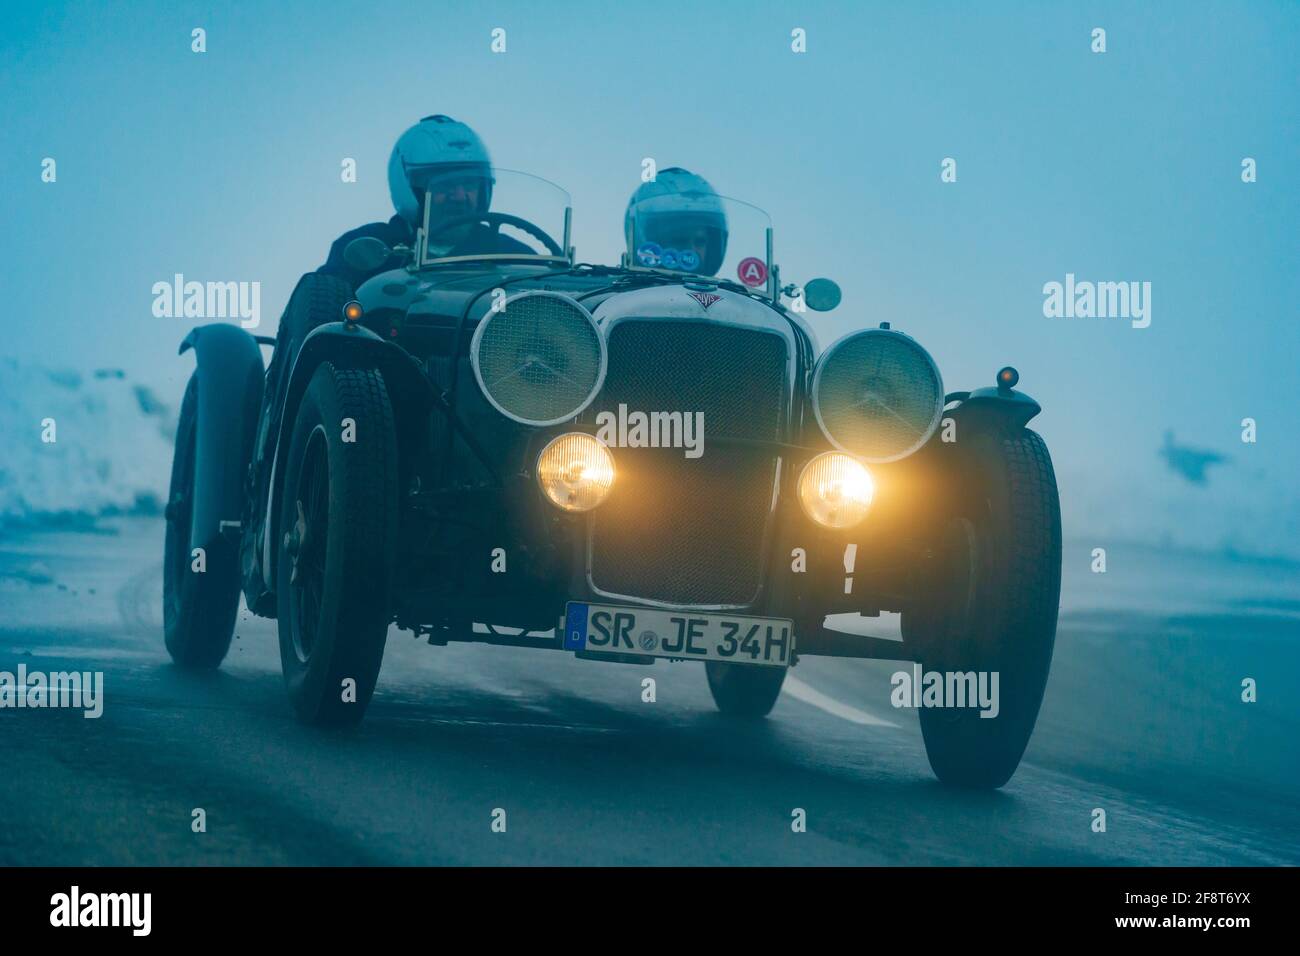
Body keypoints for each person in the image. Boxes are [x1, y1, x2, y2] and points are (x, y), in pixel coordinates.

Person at [624, 167, 728, 276]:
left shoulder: (722, 292)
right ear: (655, 243)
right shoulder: (631, 291)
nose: (691, 250)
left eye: (700, 242)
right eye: (680, 240)